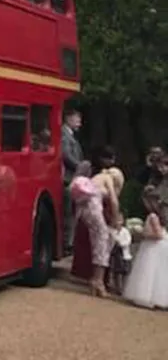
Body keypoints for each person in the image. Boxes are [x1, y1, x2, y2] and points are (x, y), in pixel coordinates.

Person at [69, 165, 124, 298]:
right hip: (93, 208)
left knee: (99, 241)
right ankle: (97, 281)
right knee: (103, 241)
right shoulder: (108, 179)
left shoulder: (97, 177)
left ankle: (97, 280)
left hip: (84, 210)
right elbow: (114, 201)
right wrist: (116, 219)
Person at [121, 185, 168, 309]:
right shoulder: (159, 215)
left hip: (154, 246)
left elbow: (157, 234)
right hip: (156, 245)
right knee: (155, 272)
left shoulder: (153, 216)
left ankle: (147, 296)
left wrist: (143, 233)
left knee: (150, 271)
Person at [61, 109, 84, 253]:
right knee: (68, 212)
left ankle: (69, 241)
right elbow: (66, 156)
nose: (79, 124)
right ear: (68, 118)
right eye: (77, 120)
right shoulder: (64, 136)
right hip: (68, 178)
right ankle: (67, 242)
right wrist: (80, 166)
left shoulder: (70, 136)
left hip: (72, 177)